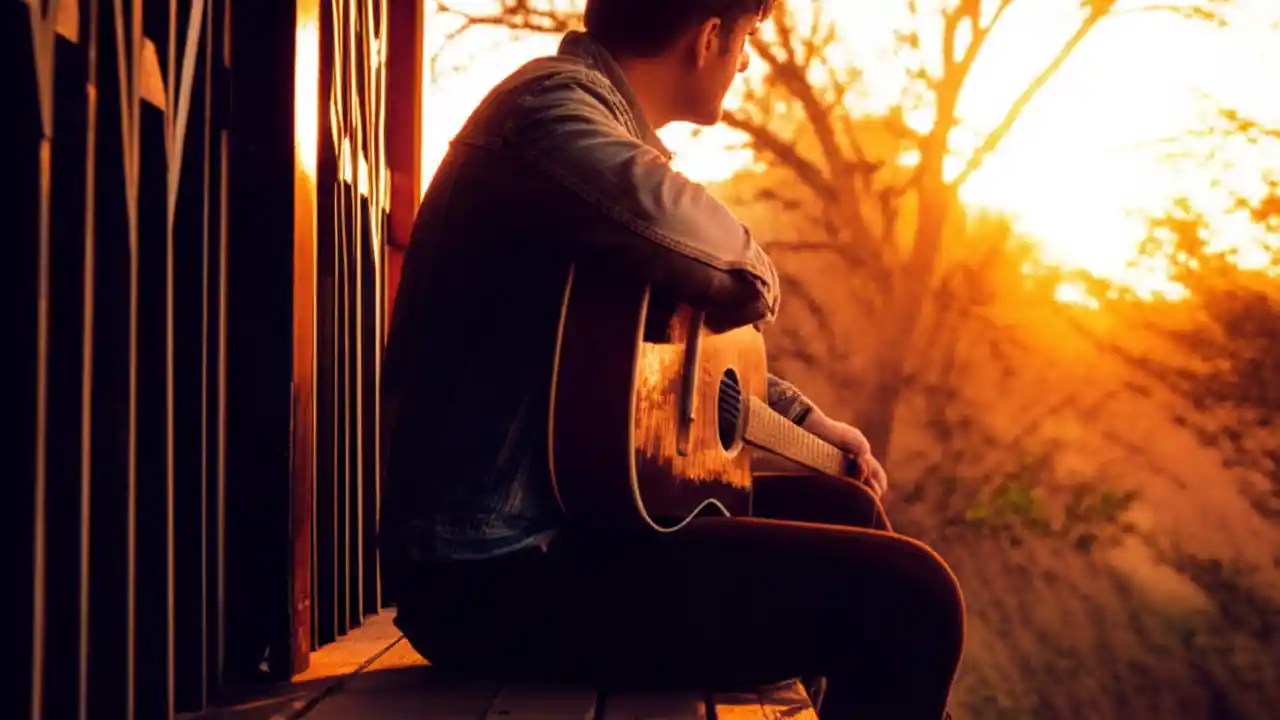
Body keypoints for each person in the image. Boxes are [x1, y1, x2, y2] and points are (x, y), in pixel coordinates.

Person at [379, 1, 965, 717]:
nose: (745, 61)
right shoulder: (551, 118)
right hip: (491, 574)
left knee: (848, 510)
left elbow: (664, 352)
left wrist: (805, 422)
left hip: (560, 526)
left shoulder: (588, 138)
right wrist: (756, 269)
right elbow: (733, 269)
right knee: (915, 600)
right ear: (709, 36)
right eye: (747, 38)